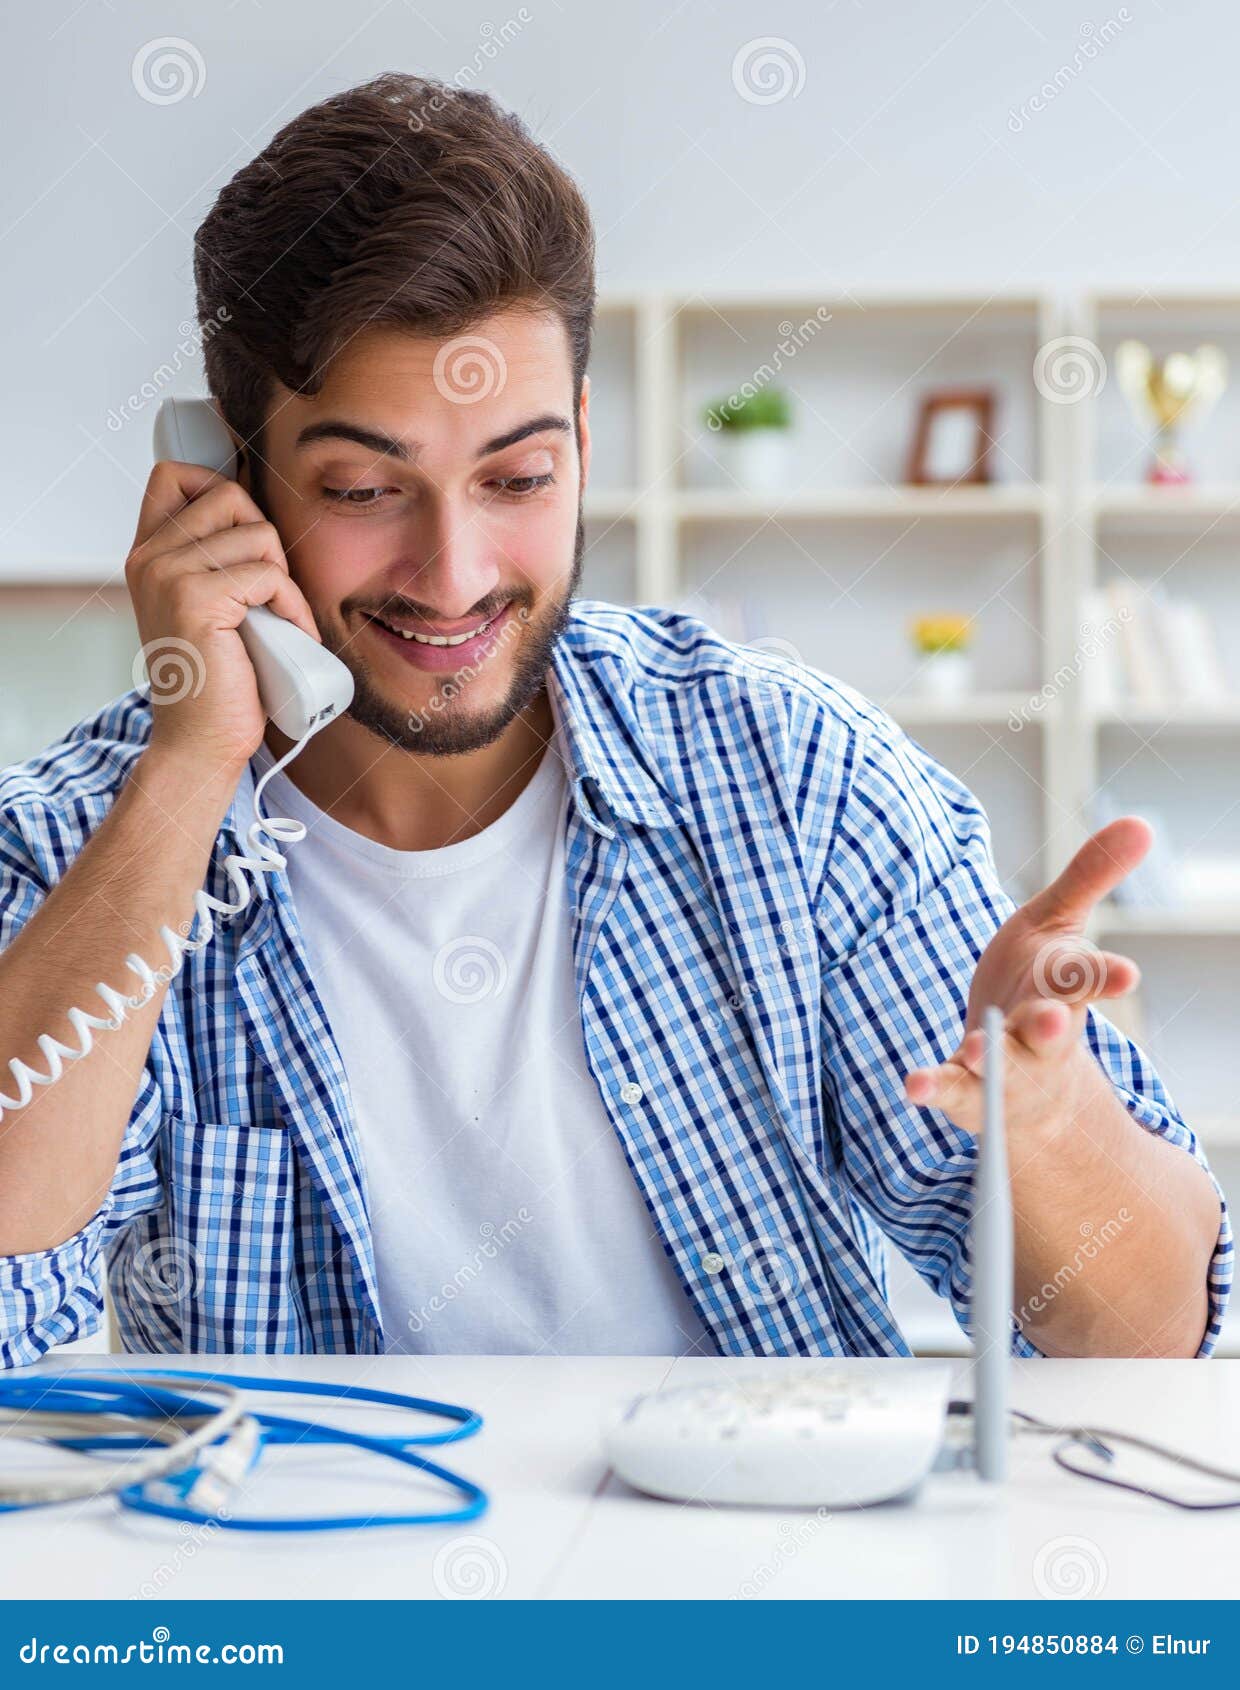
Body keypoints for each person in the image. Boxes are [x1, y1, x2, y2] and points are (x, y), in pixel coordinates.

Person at [0, 74, 1228, 1366]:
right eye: (366, 486)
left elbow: (1147, 1352)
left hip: (761, 1561)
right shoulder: (77, 844)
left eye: (517, 476)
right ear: (226, 479)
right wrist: (194, 763)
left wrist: (1056, 1131)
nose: (454, 570)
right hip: (315, 1570)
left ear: (585, 439)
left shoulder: (798, 780)